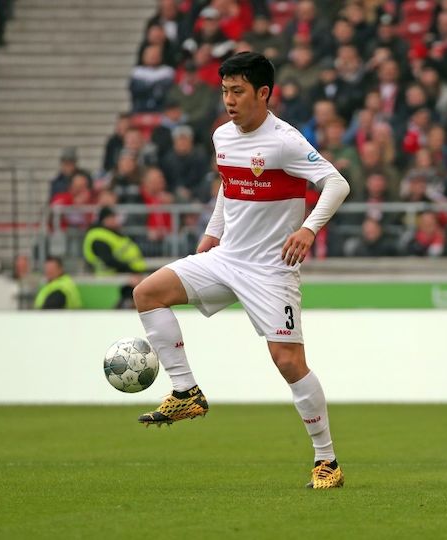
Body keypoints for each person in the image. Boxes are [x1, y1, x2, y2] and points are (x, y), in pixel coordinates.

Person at [130, 52, 350, 489]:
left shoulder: (284, 141)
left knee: (288, 363)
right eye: (225, 91)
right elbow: (227, 190)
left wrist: (308, 229)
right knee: (147, 293)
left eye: (238, 91)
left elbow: (337, 183)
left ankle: (327, 462)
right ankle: (186, 392)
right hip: (228, 257)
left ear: (263, 93)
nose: (229, 100)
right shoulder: (222, 136)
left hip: (271, 270)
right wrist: (213, 234)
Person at [83, 206, 146, 276]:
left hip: (126, 275)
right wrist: (128, 268)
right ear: (106, 219)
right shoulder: (99, 236)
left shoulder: (110, 233)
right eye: (113, 217)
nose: (116, 221)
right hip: (111, 278)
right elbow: (108, 260)